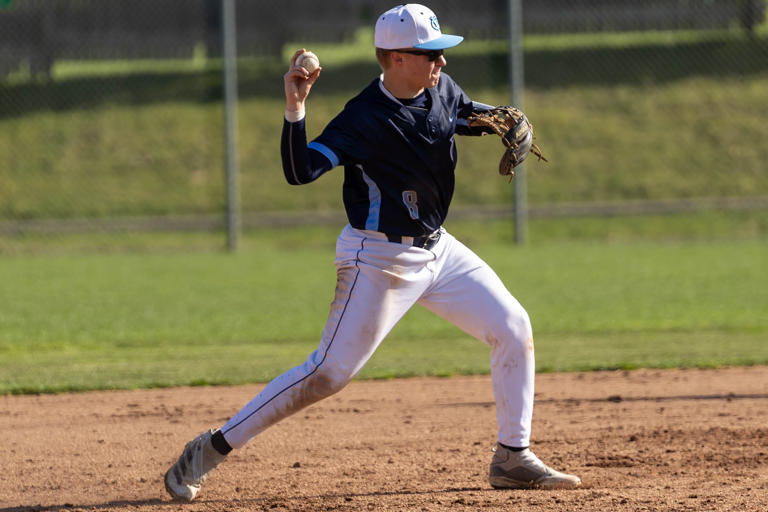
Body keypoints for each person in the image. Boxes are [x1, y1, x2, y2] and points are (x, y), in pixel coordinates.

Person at [164, 3, 581, 501]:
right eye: (430, 54)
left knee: (513, 326)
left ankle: (512, 457)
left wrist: (502, 119)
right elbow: (301, 171)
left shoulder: (440, 89)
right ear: (396, 59)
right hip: (377, 259)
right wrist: (296, 106)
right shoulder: (364, 117)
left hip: (439, 251)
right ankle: (209, 449)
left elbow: (464, 115)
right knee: (327, 374)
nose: (441, 63)